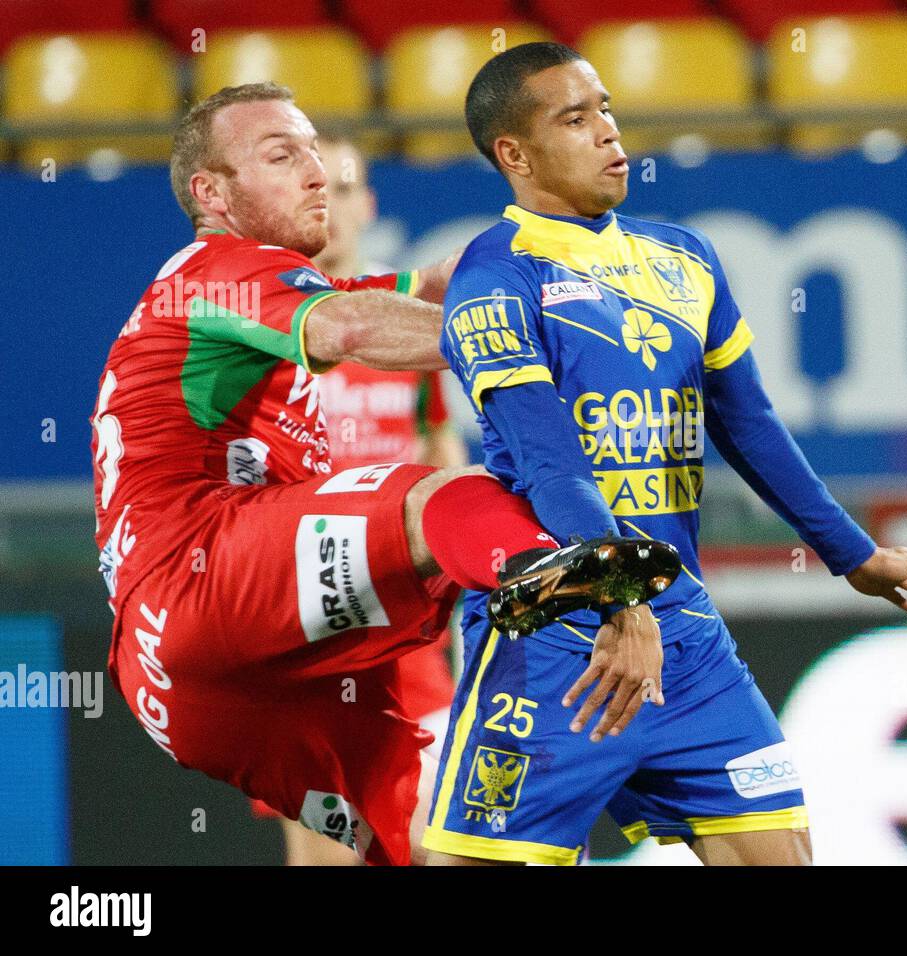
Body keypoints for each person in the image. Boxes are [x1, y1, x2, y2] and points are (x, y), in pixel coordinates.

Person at [91, 81, 679, 866]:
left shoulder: (264, 288)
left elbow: (435, 284)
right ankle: (541, 572)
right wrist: (542, 347)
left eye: (315, 152)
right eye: (281, 155)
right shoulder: (216, 271)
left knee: (439, 843)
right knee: (448, 492)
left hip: (186, 686)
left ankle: (532, 579)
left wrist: (566, 253)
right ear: (211, 194)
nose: (313, 173)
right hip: (198, 578)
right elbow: (351, 326)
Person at [423, 43, 907, 867]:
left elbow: (750, 426)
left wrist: (853, 555)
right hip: (558, 636)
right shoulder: (494, 279)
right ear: (513, 155)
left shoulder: (684, 259)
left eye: (606, 109)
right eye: (575, 118)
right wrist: (620, 601)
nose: (609, 133)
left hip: (683, 634)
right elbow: (548, 464)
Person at [246, 134, 467, 865]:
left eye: (344, 189)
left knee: (435, 835)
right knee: (326, 853)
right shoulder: (255, 332)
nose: (331, 208)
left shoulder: (403, 336)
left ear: (368, 202)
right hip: (302, 631)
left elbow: (443, 452)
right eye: (313, 189)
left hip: (408, 629)